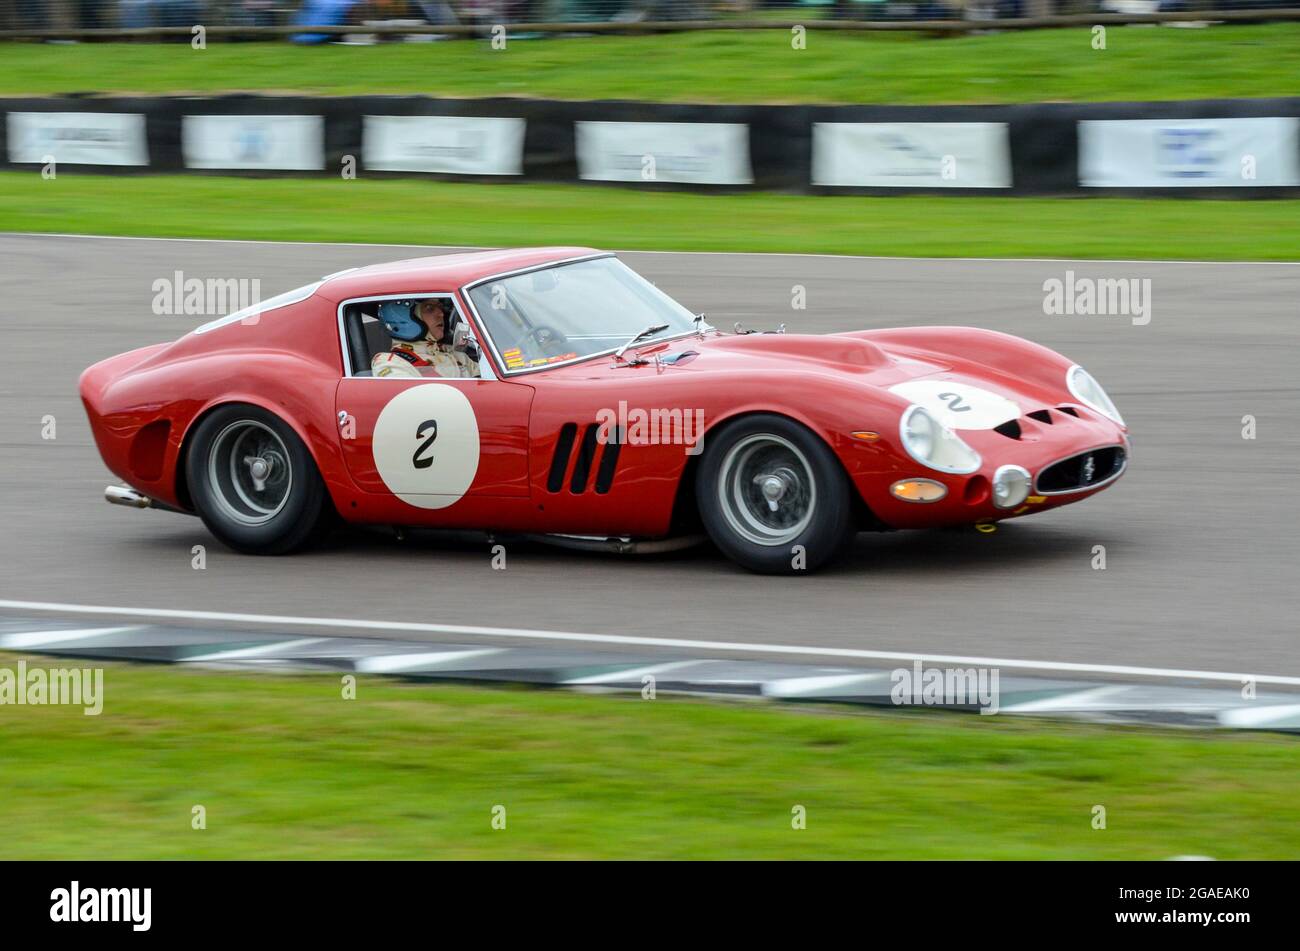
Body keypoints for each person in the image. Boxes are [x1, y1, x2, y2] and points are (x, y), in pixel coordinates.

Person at [372, 299, 479, 379]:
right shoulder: (390, 362)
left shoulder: (452, 353)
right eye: (429, 308)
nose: (441, 314)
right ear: (405, 318)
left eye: (439, 307)